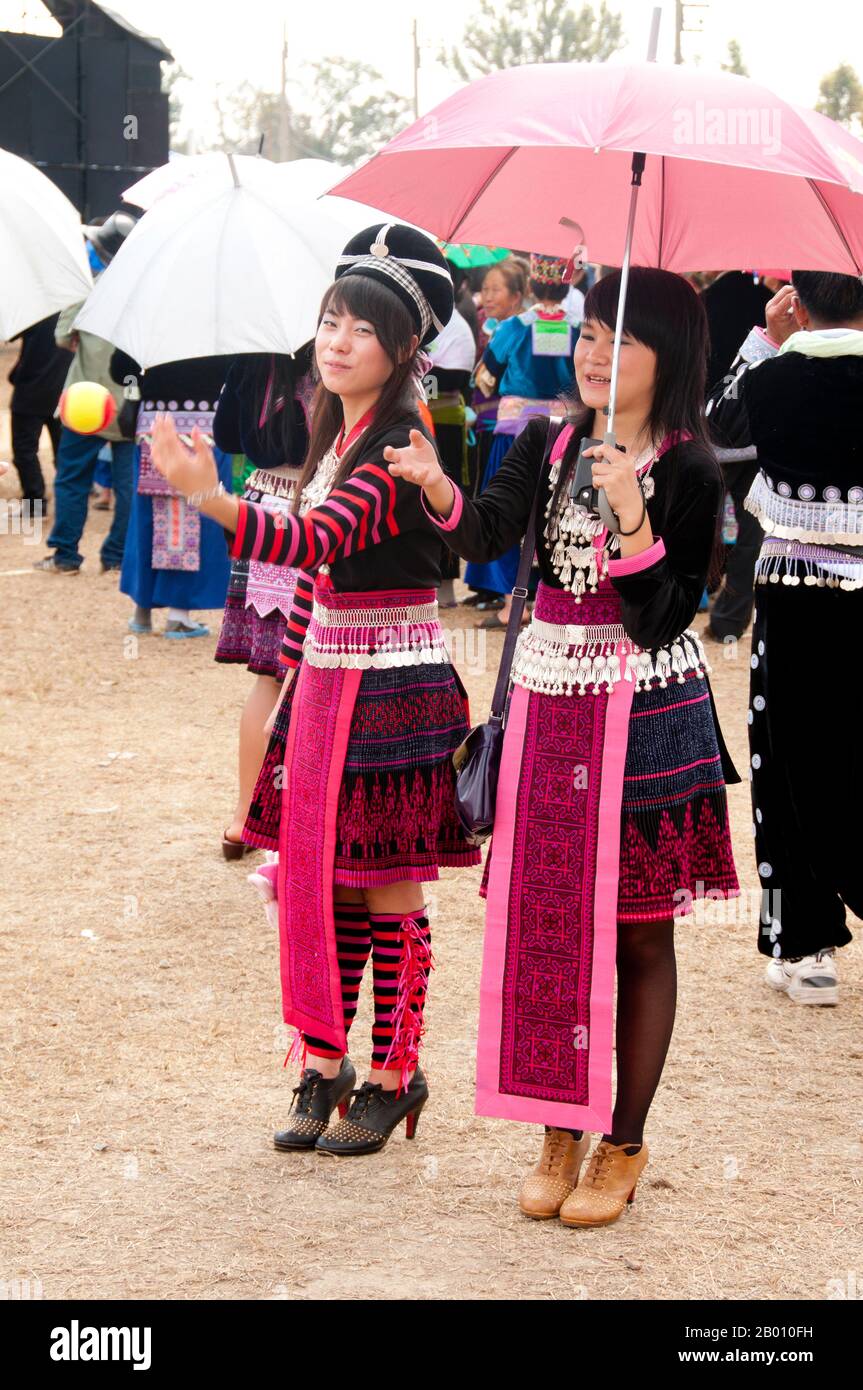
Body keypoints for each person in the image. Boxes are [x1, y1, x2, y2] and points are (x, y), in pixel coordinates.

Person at [388, 267, 740, 1227]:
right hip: (547, 708)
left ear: (666, 359)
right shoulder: (543, 439)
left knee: (636, 930)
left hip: (647, 717)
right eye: (588, 333)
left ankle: (622, 1142)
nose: (592, 352)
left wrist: (630, 510)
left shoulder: (693, 468)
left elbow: (664, 622)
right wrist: (435, 489)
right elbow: (487, 535)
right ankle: (558, 1124)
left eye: (618, 339)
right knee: (549, 919)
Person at [150, 223, 482, 1156]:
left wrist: (212, 500)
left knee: (384, 887)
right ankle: (321, 1059)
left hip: (394, 685)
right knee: (320, 883)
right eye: (330, 320)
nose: (335, 341)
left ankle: (393, 1071)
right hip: (328, 678)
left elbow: (315, 543)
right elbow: (311, 584)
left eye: (360, 329)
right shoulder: (333, 427)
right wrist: (292, 675)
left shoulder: (398, 442)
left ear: (407, 348)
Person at [706, 271, 863, 1008]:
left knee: (788, 754)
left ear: (797, 302)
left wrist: (765, 338)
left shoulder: (770, 374)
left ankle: (803, 948)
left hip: (793, 587)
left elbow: (719, 428)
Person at [212, 350, 314, 857]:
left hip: (260, 508)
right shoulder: (338, 357)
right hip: (315, 513)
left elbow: (227, 437)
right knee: (311, 675)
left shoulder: (251, 358)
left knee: (267, 679)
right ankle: (300, 820)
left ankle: (243, 818)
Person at [466, 253, 581, 627]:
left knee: (507, 505)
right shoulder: (580, 328)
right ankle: (551, 594)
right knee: (556, 509)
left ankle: (511, 603)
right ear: (567, 287)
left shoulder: (514, 327)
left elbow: (488, 374)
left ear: (531, 286)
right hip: (566, 430)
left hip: (516, 431)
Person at [33, 212, 138, 574]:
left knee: (72, 478)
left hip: (85, 400)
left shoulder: (87, 288)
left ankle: (65, 555)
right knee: (129, 486)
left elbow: (63, 337)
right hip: (131, 403)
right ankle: (116, 557)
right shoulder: (146, 294)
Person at [109, 350, 234, 638]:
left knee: (148, 518)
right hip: (202, 426)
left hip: (154, 425)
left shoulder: (147, 313)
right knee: (197, 514)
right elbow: (233, 372)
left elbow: (120, 370)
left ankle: (142, 609)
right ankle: (179, 613)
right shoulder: (217, 319)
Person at [426, 281, 476, 606]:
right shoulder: (424, 321)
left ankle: (444, 583)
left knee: (443, 501)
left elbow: (451, 380)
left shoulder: (457, 328)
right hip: (418, 421)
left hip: (443, 428)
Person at [6, 313, 72, 518]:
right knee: (64, 452)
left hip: (30, 392)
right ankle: (67, 502)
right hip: (63, 392)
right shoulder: (72, 310)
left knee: (24, 450)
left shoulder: (32, 309)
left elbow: (10, 331)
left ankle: (35, 501)